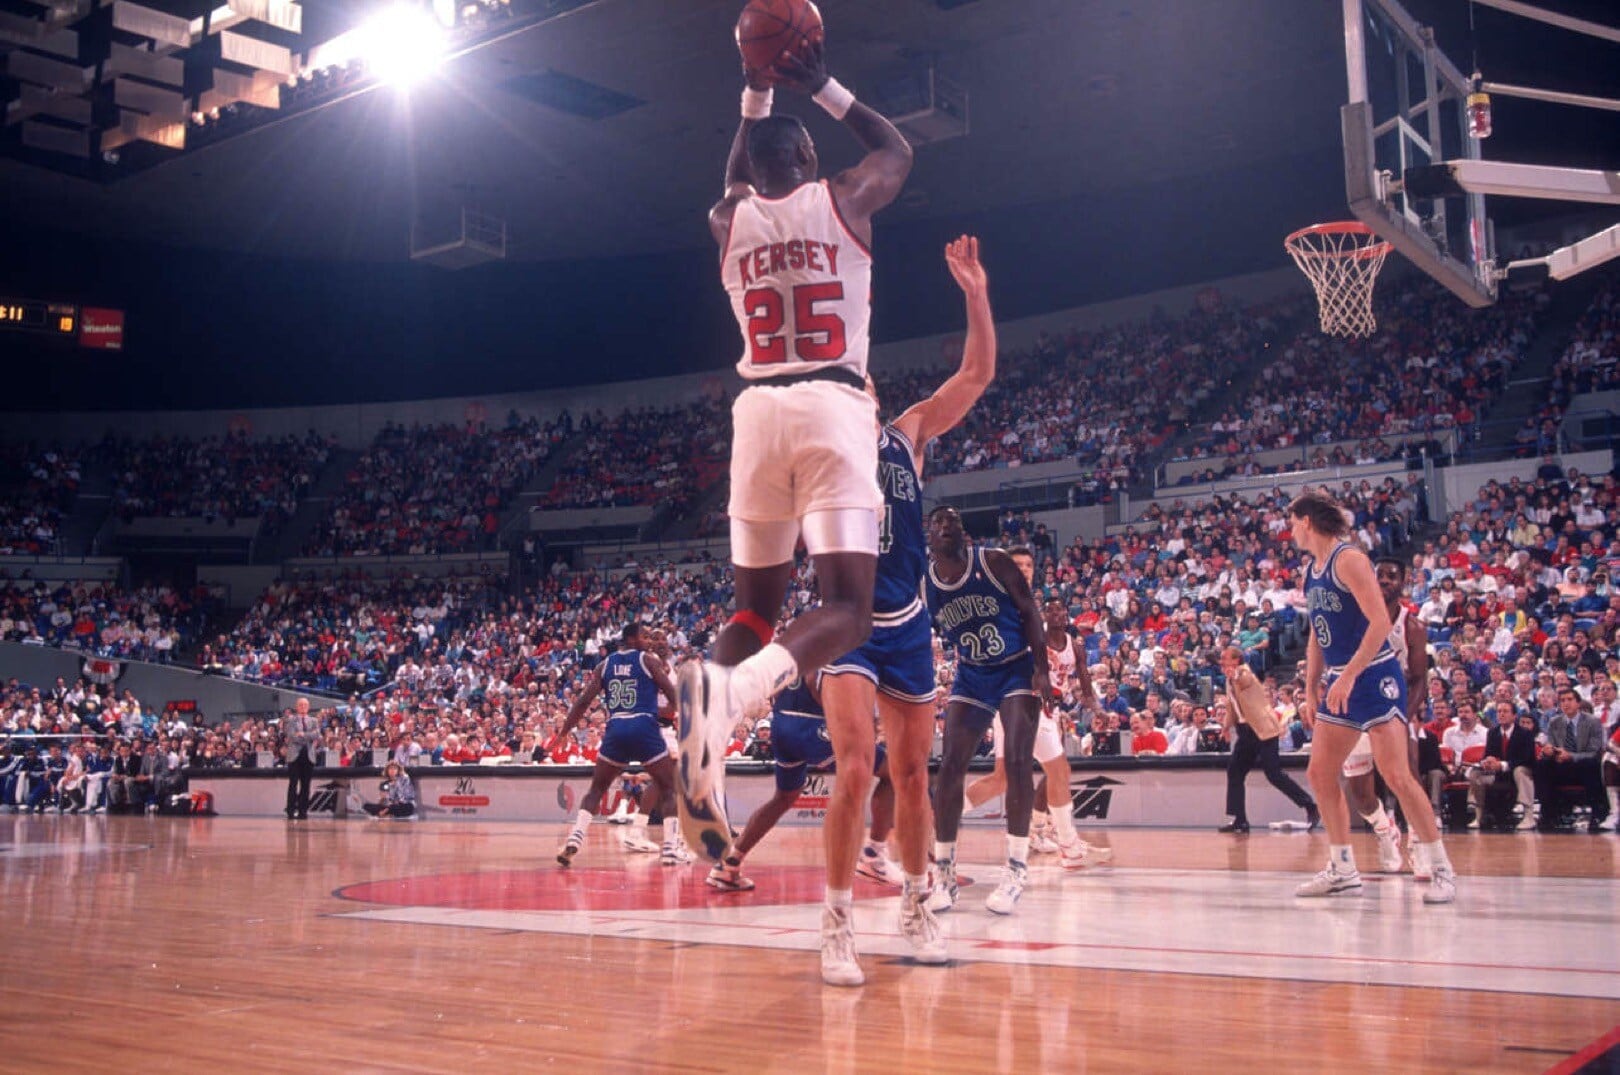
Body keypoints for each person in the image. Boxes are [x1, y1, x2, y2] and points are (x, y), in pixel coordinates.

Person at [675, 36, 914, 872]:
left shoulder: (727, 218)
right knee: (849, 606)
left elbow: (737, 174)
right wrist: (825, 87)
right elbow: (898, 150)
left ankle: (711, 706)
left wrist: (753, 92)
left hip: (756, 413)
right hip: (831, 403)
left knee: (751, 613)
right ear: (810, 157)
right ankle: (737, 691)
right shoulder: (844, 198)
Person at [811, 235, 993, 983]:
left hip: (909, 622)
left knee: (913, 775)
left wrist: (975, 292)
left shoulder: (907, 434)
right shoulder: (817, 447)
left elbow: (977, 374)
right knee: (856, 768)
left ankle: (918, 904)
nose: (860, 389)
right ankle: (835, 922)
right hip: (847, 623)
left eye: (864, 381)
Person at [1289, 490, 1456, 903]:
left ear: (1307, 521)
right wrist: (1311, 688)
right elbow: (1317, 634)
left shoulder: (1350, 559)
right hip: (1340, 679)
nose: (1289, 530)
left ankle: (1441, 868)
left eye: (1292, 522)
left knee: (1397, 775)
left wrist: (1349, 675)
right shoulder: (1312, 569)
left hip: (1375, 675)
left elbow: (1380, 621)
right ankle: (1343, 868)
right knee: (1319, 773)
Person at [923, 506, 1050, 917]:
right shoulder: (926, 583)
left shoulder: (993, 561)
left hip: (1016, 667)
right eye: (937, 523)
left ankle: (1015, 869)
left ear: (964, 533)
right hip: (973, 674)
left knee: (1016, 760)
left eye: (952, 523)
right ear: (928, 536)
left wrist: (1042, 668)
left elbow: (1030, 611)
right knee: (950, 767)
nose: (945, 528)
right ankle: (943, 873)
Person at [707, 673, 903, 893]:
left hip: (782, 722)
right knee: (894, 773)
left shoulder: (795, 643)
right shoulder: (832, 640)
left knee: (784, 797)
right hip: (812, 725)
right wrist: (843, 719)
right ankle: (873, 856)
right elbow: (812, 677)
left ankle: (730, 863)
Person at [964, 587, 1112, 870]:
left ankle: (943, 816)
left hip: (1039, 708)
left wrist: (1098, 710)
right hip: (1025, 703)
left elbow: (1085, 685)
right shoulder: (1033, 639)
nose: (1055, 613)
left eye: (1060, 609)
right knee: (1053, 772)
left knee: (1013, 778)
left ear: (1067, 614)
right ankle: (1067, 846)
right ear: (1044, 615)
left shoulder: (1075, 646)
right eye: (1050, 610)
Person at [551, 624, 688, 867]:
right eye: (644, 636)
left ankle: (575, 837)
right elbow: (671, 693)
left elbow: (583, 702)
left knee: (596, 789)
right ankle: (669, 849)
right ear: (631, 639)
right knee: (668, 787)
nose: (648, 640)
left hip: (616, 729)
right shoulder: (647, 660)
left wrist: (564, 731)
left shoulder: (604, 665)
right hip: (645, 727)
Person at [1339, 557, 1428, 872]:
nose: (1385, 580)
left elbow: (1419, 679)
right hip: (1359, 708)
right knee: (1361, 794)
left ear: (1403, 582)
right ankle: (1384, 830)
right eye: (1381, 575)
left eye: (1392, 575)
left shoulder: (1412, 626)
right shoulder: (1355, 621)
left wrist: (1400, 717)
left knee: (1408, 774)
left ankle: (1419, 844)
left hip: (1394, 708)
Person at [1218, 647, 1317, 833]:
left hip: (1263, 730)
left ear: (1236, 660)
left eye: (1225, 658)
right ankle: (1240, 819)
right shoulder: (1229, 679)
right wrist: (1225, 726)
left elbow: (1244, 680)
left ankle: (1310, 805)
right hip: (1245, 731)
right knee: (1235, 771)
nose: (1221, 661)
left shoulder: (1244, 673)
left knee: (1273, 774)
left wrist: (1235, 675)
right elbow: (1232, 705)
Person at [1534, 688, 1609, 832]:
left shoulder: (1593, 721)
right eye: (1562, 701)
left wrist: (1571, 756)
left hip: (1584, 766)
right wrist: (1549, 751)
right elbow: (1551, 744)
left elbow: (1594, 752)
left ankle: (1598, 814)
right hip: (1562, 764)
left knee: (1590, 763)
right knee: (1542, 764)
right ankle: (1548, 813)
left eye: (1569, 700)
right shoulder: (1554, 722)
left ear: (1578, 703)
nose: (1566, 703)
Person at [1473, 706, 1538, 830]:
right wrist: (1487, 761)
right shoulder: (1492, 732)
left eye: (1505, 711)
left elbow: (1526, 759)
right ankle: (1479, 815)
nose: (1501, 714)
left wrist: (1503, 765)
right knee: (1476, 773)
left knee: (1520, 770)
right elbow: (1487, 754)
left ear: (1514, 716)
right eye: (1499, 711)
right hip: (1497, 774)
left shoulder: (1525, 734)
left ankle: (1529, 816)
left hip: (1520, 772)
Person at [282, 697, 321, 821]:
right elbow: (292, 736)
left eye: (305, 705)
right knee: (293, 784)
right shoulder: (291, 720)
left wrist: (303, 734)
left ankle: (303, 811)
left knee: (306, 785)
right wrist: (307, 736)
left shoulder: (314, 720)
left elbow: (317, 735)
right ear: (296, 707)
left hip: (308, 755)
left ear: (308, 707)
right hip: (294, 756)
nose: (303, 707)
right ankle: (290, 810)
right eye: (301, 705)